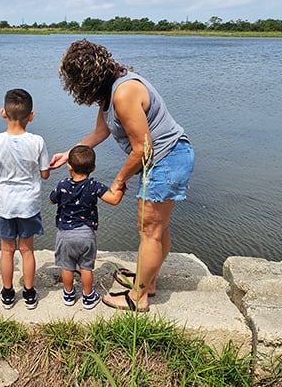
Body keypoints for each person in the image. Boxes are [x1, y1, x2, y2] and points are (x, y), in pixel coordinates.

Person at [50, 39, 194, 312]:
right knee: (156, 229)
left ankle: (137, 297)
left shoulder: (123, 93)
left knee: (149, 231)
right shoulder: (110, 90)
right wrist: (69, 153)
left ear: (84, 80)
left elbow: (143, 148)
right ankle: (146, 281)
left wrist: (118, 180)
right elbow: (99, 133)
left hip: (166, 159)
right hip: (162, 159)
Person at [0, 89, 50, 310]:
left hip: (4, 206)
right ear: (31, 115)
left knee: (7, 250)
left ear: (3, 112)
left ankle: (8, 292)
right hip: (29, 205)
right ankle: (29, 293)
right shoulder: (38, 141)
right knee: (27, 250)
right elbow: (45, 173)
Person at [50, 144, 125, 309]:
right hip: (86, 234)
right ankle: (88, 297)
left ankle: (69, 295)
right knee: (86, 268)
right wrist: (121, 189)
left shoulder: (62, 185)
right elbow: (114, 200)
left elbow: (51, 199)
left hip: (65, 234)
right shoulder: (94, 185)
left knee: (67, 267)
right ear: (93, 168)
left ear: (69, 166)